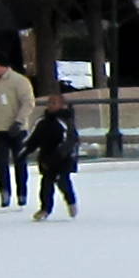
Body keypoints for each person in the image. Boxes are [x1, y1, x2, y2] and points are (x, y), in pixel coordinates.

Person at [0, 54, 36, 212]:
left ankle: (21, 192)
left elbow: (28, 103)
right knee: (0, 163)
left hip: (17, 129)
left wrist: (19, 121)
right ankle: (4, 191)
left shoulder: (19, 81)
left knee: (20, 162)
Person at [30, 88, 81, 220]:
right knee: (46, 184)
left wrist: (61, 154)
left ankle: (71, 201)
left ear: (62, 105)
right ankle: (45, 209)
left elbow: (71, 140)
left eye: (54, 103)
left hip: (63, 159)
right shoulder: (43, 121)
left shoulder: (66, 121)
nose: (50, 105)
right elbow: (36, 137)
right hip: (47, 158)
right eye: (49, 103)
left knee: (63, 181)